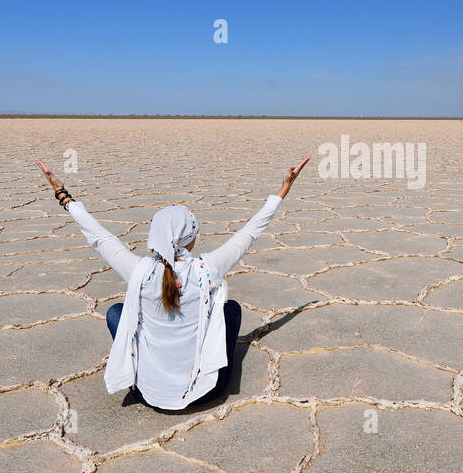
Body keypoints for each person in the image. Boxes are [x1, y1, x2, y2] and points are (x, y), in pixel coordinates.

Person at [34, 156, 309, 412]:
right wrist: (284, 188)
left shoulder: (138, 270)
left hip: (148, 394)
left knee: (116, 313)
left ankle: (140, 372)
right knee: (231, 310)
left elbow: (98, 236)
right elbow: (251, 231)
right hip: (205, 392)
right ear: (189, 238)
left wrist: (62, 193)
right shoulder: (207, 269)